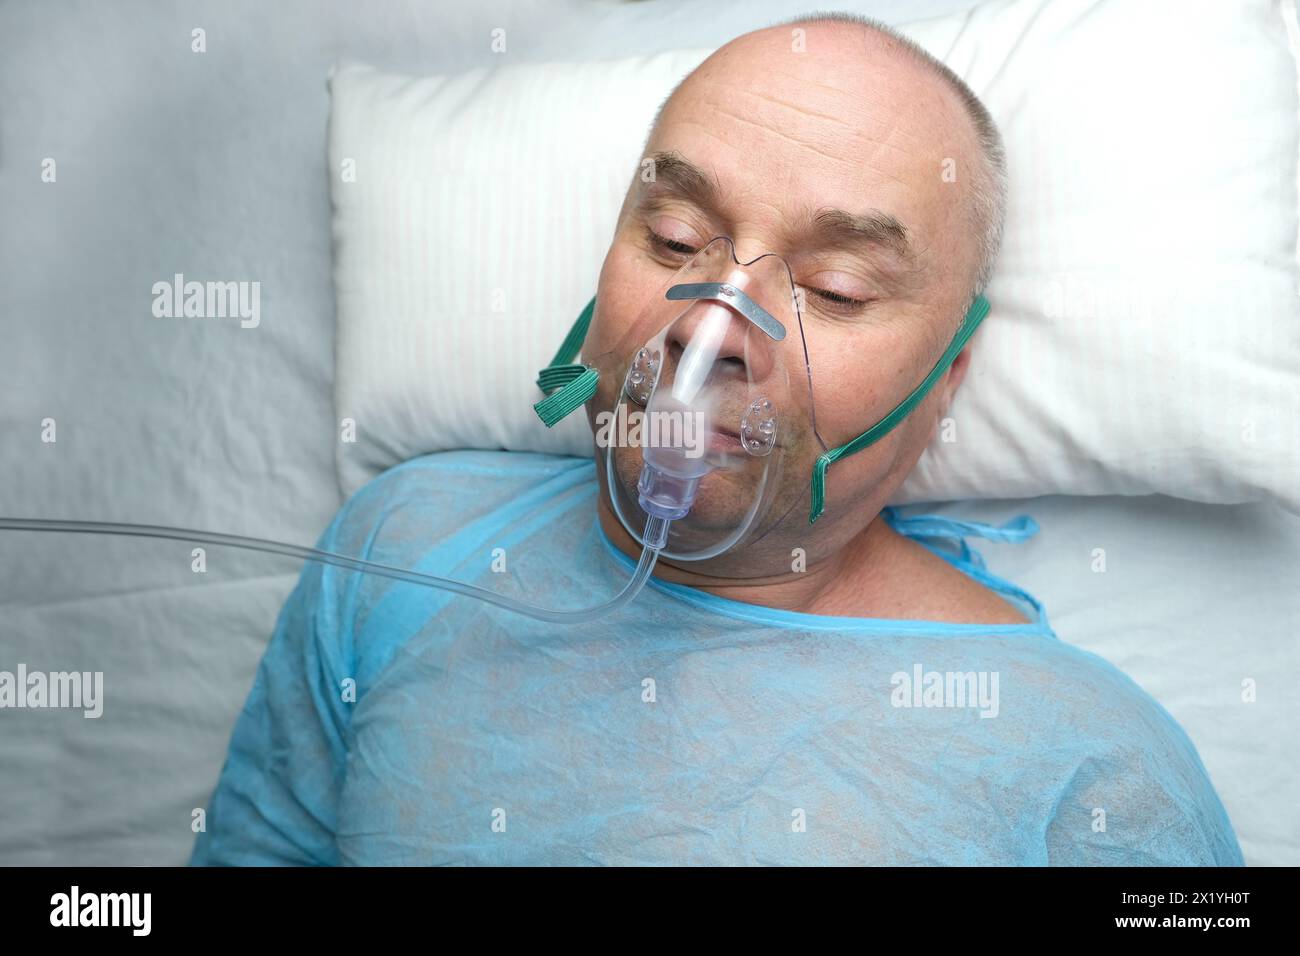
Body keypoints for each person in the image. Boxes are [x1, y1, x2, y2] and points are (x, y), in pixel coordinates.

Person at [191, 14, 1243, 865]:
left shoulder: (1088, 770)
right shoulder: (405, 549)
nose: (709, 324)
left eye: (836, 288)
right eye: (675, 238)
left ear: (945, 382)